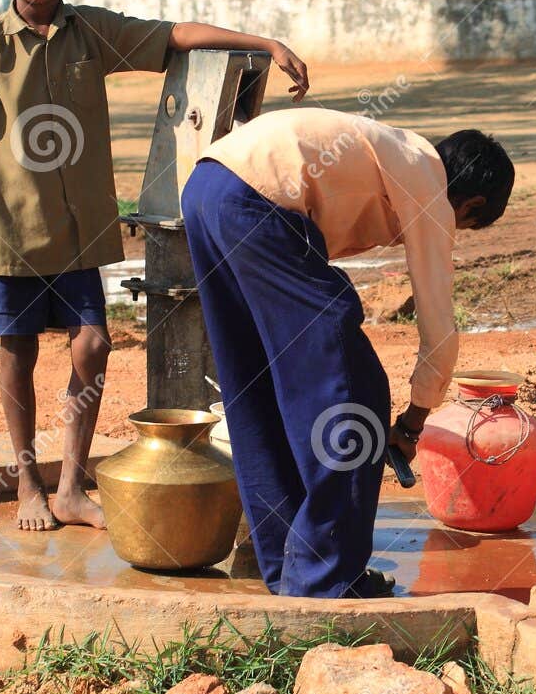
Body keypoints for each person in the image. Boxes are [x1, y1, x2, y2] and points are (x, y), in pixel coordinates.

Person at [0, 0, 309, 533]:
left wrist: (265, 43)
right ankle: (27, 482)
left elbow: (174, 36)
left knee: (93, 345)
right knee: (17, 353)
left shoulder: (91, 32)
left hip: (79, 235)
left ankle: (70, 487)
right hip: (10, 231)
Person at [182, 109, 514, 598]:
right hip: (256, 201)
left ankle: (289, 566)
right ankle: (329, 579)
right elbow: (438, 325)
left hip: (206, 189)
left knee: (257, 381)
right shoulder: (429, 185)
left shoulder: (395, 155)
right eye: (463, 223)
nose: (451, 229)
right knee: (353, 388)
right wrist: (412, 423)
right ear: (471, 203)